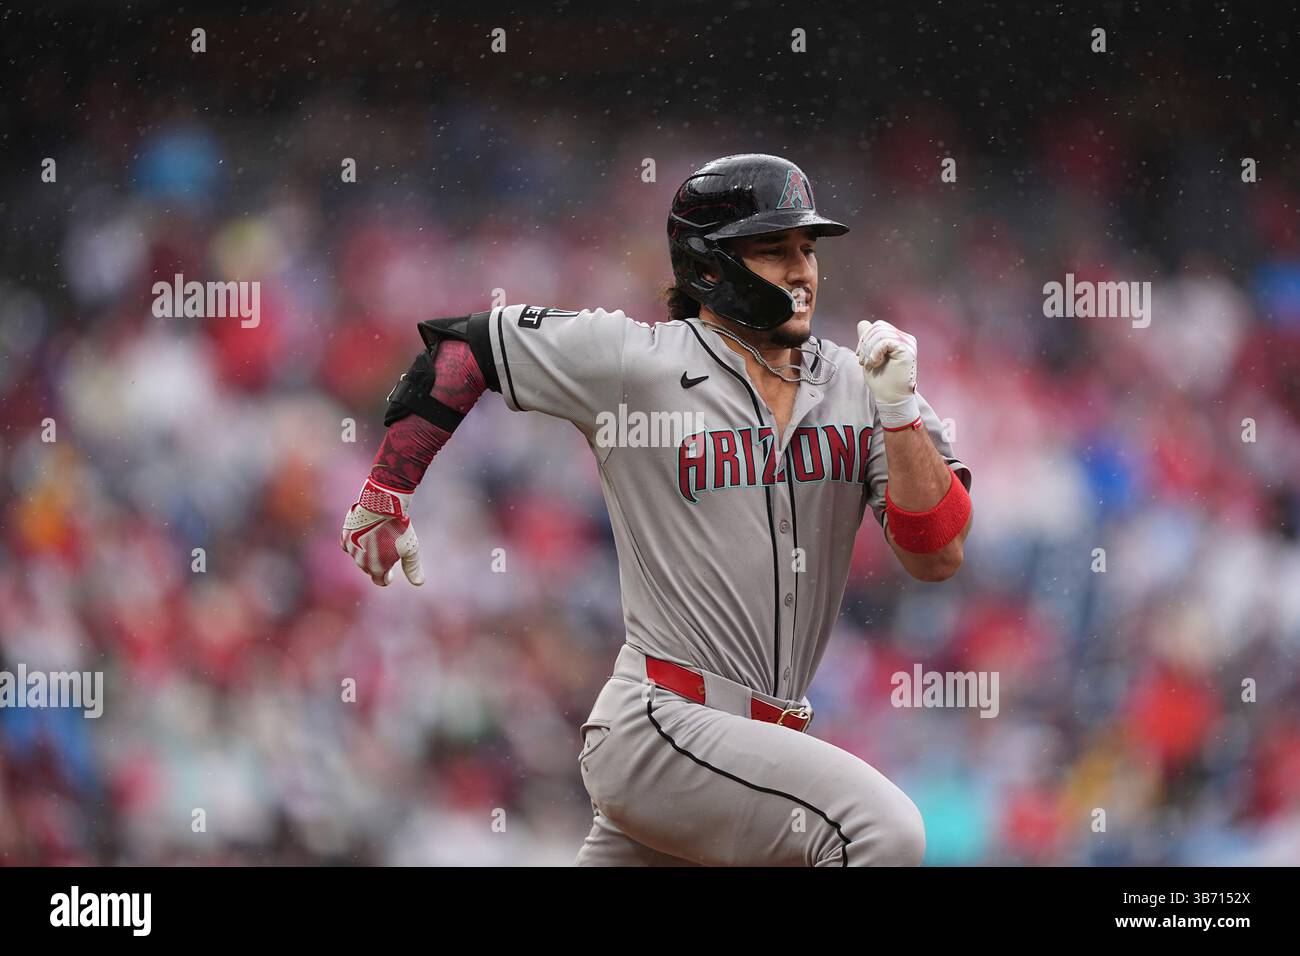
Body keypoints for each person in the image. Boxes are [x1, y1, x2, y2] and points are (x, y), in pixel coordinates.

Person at [341, 153, 973, 866]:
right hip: (661, 724)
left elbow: (937, 555)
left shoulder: (865, 387)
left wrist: (897, 414)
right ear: (709, 268)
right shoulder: (635, 362)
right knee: (882, 832)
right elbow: (464, 350)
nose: (802, 270)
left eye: (807, 248)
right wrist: (387, 491)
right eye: (772, 248)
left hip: (752, 753)